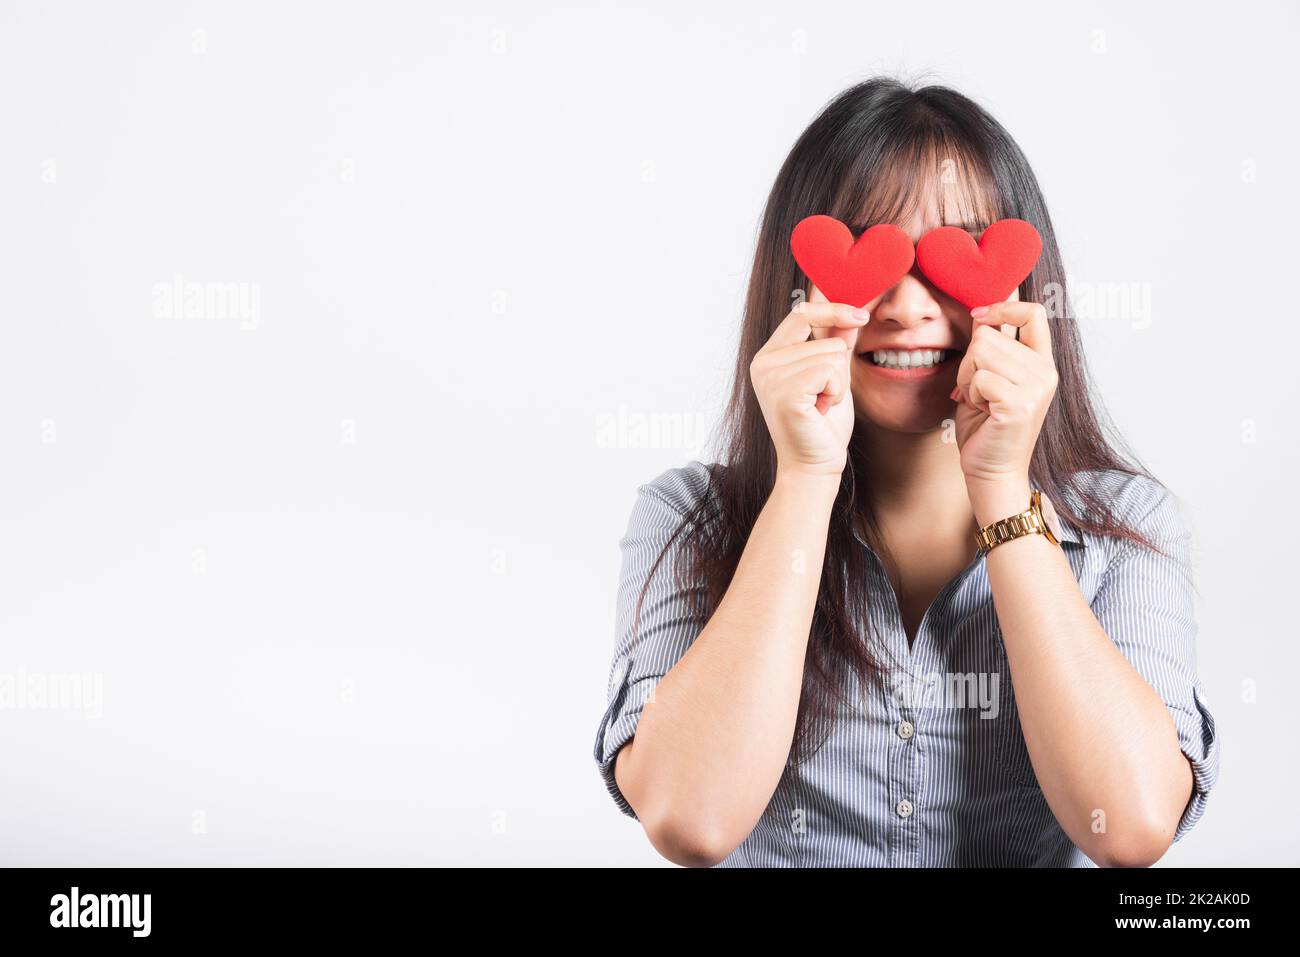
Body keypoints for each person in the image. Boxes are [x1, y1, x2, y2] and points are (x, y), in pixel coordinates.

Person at [592, 76, 1219, 867]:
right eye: (870, 256)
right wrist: (805, 480)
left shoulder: (1128, 527)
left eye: (952, 257)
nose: (908, 306)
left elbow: (1128, 825)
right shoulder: (690, 517)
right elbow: (691, 819)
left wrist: (1002, 490)